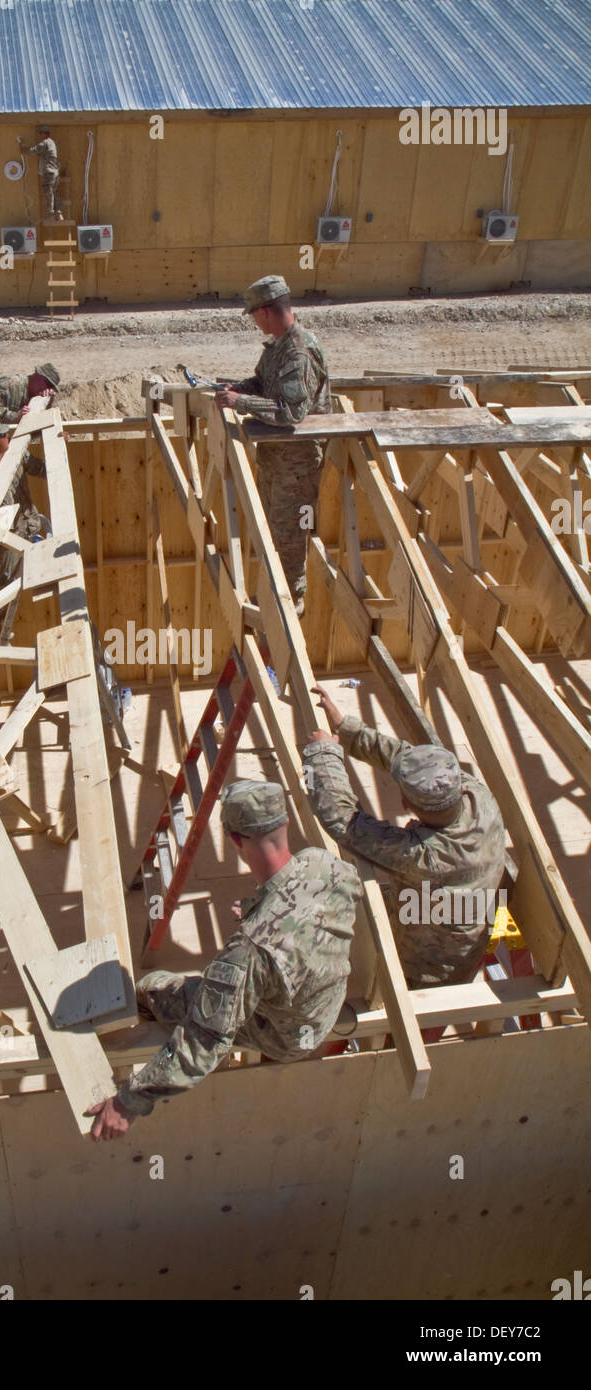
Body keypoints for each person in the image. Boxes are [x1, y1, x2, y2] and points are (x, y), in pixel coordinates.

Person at [87, 780, 362, 1141]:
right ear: (285, 824)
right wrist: (260, 911)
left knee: (154, 989)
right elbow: (305, 915)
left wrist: (128, 1101)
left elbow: (204, 1041)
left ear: (235, 841)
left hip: (285, 1037)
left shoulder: (248, 950)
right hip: (323, 1006)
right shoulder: (327, 865)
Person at [303, 686, 509, 990]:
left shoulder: (426, 855)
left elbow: (342, 820)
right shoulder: (474, 794)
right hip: (453, 921)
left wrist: (322, 756)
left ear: (404, 804)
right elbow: (407, 758)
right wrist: (346, 729)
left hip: (429, 971)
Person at [214, 275, 331, 616]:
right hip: (276, 459)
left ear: (265, 312)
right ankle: (273, 597)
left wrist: (241, 403)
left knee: (290, 536)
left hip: (297, 464)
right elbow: (263, 383)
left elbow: (292, 411)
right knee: (271, 535)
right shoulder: (278, 347)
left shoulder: (299, 351)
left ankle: (291, 607)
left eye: (253, 315)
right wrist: (240, 389)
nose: (253, 322)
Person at [0, 420, 47, 591]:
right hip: (8, 546)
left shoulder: (17, 456)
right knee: (3, 596)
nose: (8, 437)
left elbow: (43, 469)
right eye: (3, 435)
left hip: (31, 530)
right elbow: (6, 511)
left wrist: (58, 447)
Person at [0, 364, 60, 428]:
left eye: (51, 387)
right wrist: (12, 416)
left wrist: (48, 402)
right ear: (38, 377)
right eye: (48, 385)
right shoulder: (13, 383)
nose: (47, 389)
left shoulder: (38, 398)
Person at [19, 126, 63, 221]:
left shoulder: (45, 142)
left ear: (45, 133)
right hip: (55, 172)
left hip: (49, 171)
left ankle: (51, 214)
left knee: (48, 192)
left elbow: (34, 150)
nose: (40, 135)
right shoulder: (52, 143)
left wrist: (23, 148)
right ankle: (59, 213)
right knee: (54, 192)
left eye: (41, 133)